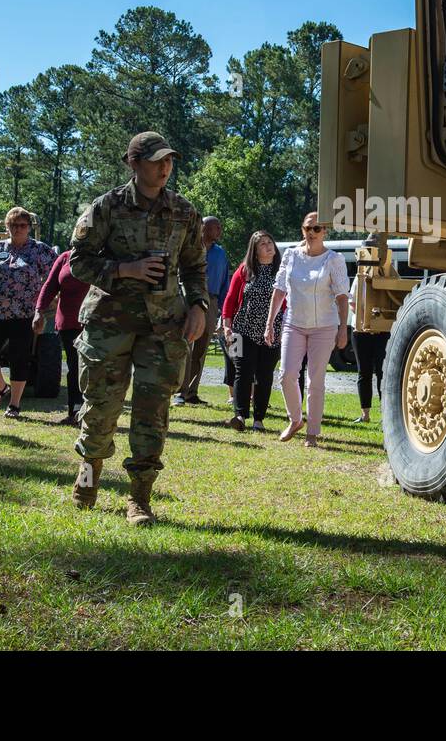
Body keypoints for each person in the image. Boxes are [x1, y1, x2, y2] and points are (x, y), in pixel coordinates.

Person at [69, 131, 208, 526]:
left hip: (162, 328)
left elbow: (195, 267)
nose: (165, 167)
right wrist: (124, 269)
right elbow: (78, 261)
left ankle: (140, 499)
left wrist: (198, 305)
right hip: (109, 326)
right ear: (133, 163)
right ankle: (87, 480)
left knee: (153, 415)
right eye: (156, 160)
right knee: (100, 411)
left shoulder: (184, 211)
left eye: (169, 160)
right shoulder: (106, 207)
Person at [265, 212, 349, 449]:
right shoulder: (290, 255)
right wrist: (270, 323)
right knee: (287, 375)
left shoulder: (334, 259)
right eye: (307, 228)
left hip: (325, 326)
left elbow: (342, 297)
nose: (312, 233)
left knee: (315, 380)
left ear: (325, 232)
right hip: (294, 323)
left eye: (317, 228)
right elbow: (279, 290)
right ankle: (295, 420)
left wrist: (343, 328)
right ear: (302, 230)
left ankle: (312, 433)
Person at [0, 207, 57, 419]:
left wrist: (49, 296)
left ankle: (14, 405)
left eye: (22, 225)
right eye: (13, 225)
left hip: (23, 314)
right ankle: (1, 387)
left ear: (28, 227)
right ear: (7, 227)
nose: (17, 229)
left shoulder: (39, 250)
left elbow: (57, 272)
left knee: (19, 358)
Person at [220, 230, 285, 433]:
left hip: (272, 332)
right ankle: (240, 415)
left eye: (270, 242)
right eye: (263, 244)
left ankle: (259, 420)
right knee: (242, 371)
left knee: (265, 375)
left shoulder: (282, 271)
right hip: (242, 330)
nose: (268, 246)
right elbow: (230, 300)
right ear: (255, 251)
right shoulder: (244, 270)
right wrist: (227, 327)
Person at [175, 215, 228, 406]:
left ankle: (192, 392)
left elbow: (224, 281)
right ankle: (180, 392)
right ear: (203, 228)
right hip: (188, 299)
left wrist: (222, 309)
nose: (219, 231)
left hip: (211, 302)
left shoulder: (220, 253)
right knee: (185, 345)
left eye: (220, 227)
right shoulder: (189, 248)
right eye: (216, 227)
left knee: (202, 347)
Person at [34, 247, 90, 425]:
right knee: (75, 367)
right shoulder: (65, 258)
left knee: (92, 368)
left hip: (95, 323)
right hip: (69, 323)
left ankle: (93, 412)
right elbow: (50, 286)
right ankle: (74, 411)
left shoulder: (103, 257)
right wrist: (39, 311)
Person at [350, 234, 390, 424]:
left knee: (383, 373)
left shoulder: (388, 272)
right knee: (364, 372)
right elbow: (353, 302)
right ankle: (365, 414)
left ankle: (385, 415)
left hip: (382, 331)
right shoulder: (360, 275)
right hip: (361, 332)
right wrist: (364, 318)